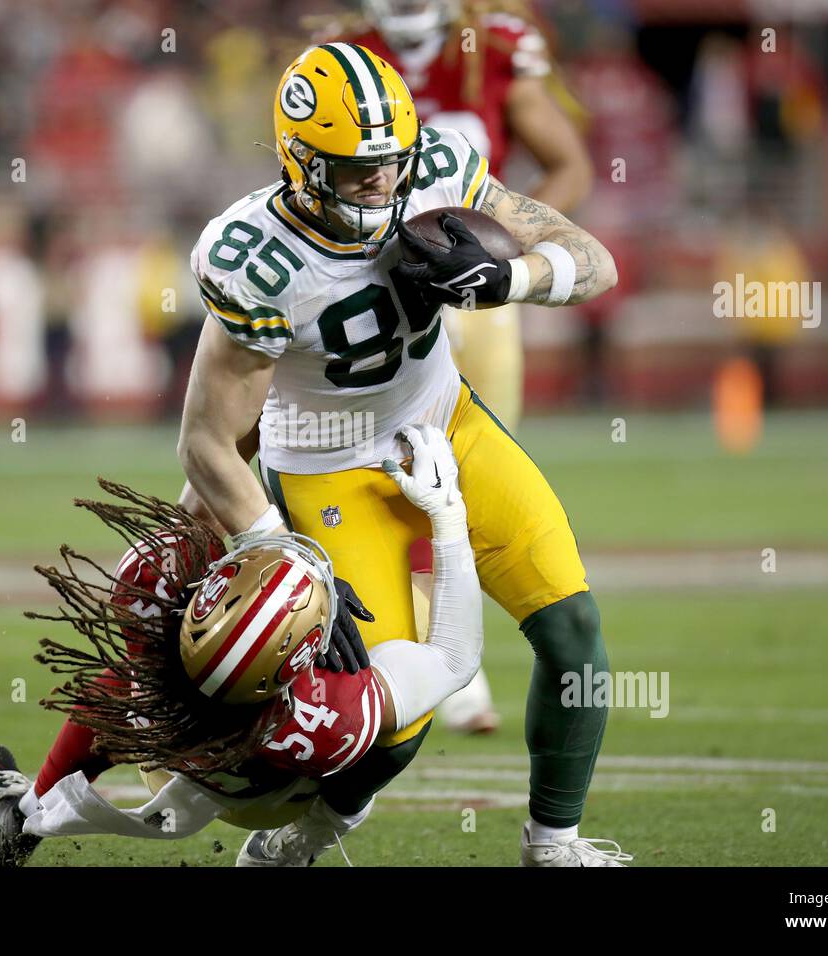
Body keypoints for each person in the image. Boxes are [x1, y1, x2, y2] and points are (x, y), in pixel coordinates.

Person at [175, 43, 629, 866]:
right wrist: (284, 559)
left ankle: (552, 845)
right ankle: (298, 838)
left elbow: (595, 260)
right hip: (328, 466)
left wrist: (509, 281)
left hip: (445, 423)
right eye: (358, 169)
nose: (383, 181)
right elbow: (207, 440)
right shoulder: (257, 256)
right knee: (393, 720)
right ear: (302, 162)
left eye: (391, 161)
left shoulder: (438, 172)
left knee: (574, 629)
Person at [0, 425, 487, 867]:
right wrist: (445, 516)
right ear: (299, 662)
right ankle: (307, 837)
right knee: (404, 705)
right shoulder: (326, 712)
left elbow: (204, 493)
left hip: (172, 754)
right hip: (275, 798)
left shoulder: (155, 580)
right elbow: (456, 658)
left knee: (133, 678)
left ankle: (22, 819)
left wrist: (252, 418)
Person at [345, 0, 594, 734]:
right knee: (394, 480)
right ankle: (449, 664)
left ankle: (453, 655)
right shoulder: (345, 56)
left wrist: (501, 247)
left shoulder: (491, 47)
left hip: (476, 304)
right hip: (379, 303)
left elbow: (570, 165)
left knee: (464, 478)